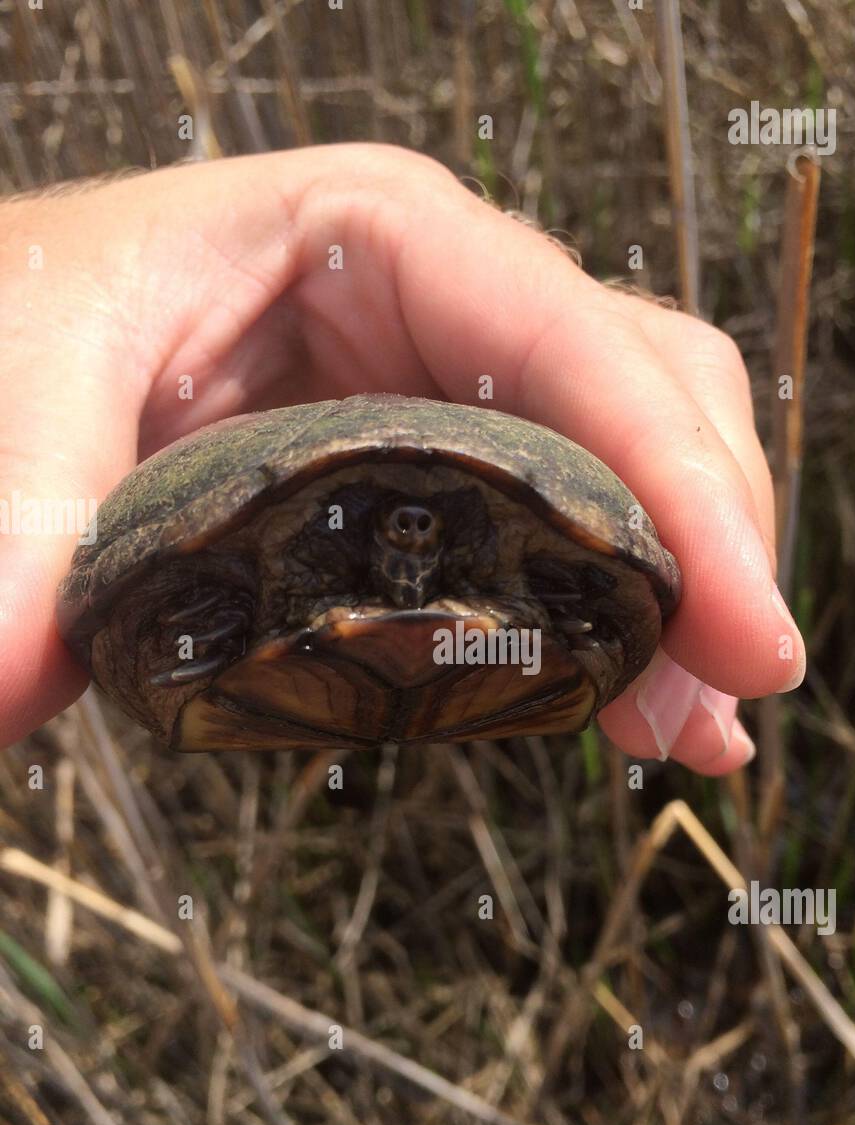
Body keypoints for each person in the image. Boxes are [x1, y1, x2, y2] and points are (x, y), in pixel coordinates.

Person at [0, 144, 803, 772]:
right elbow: (128, 607)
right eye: (387, 524)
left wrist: (585, 607)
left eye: (426, 523)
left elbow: (623, 589)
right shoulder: (255, 554)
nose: (410, 537)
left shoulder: (520, 564)